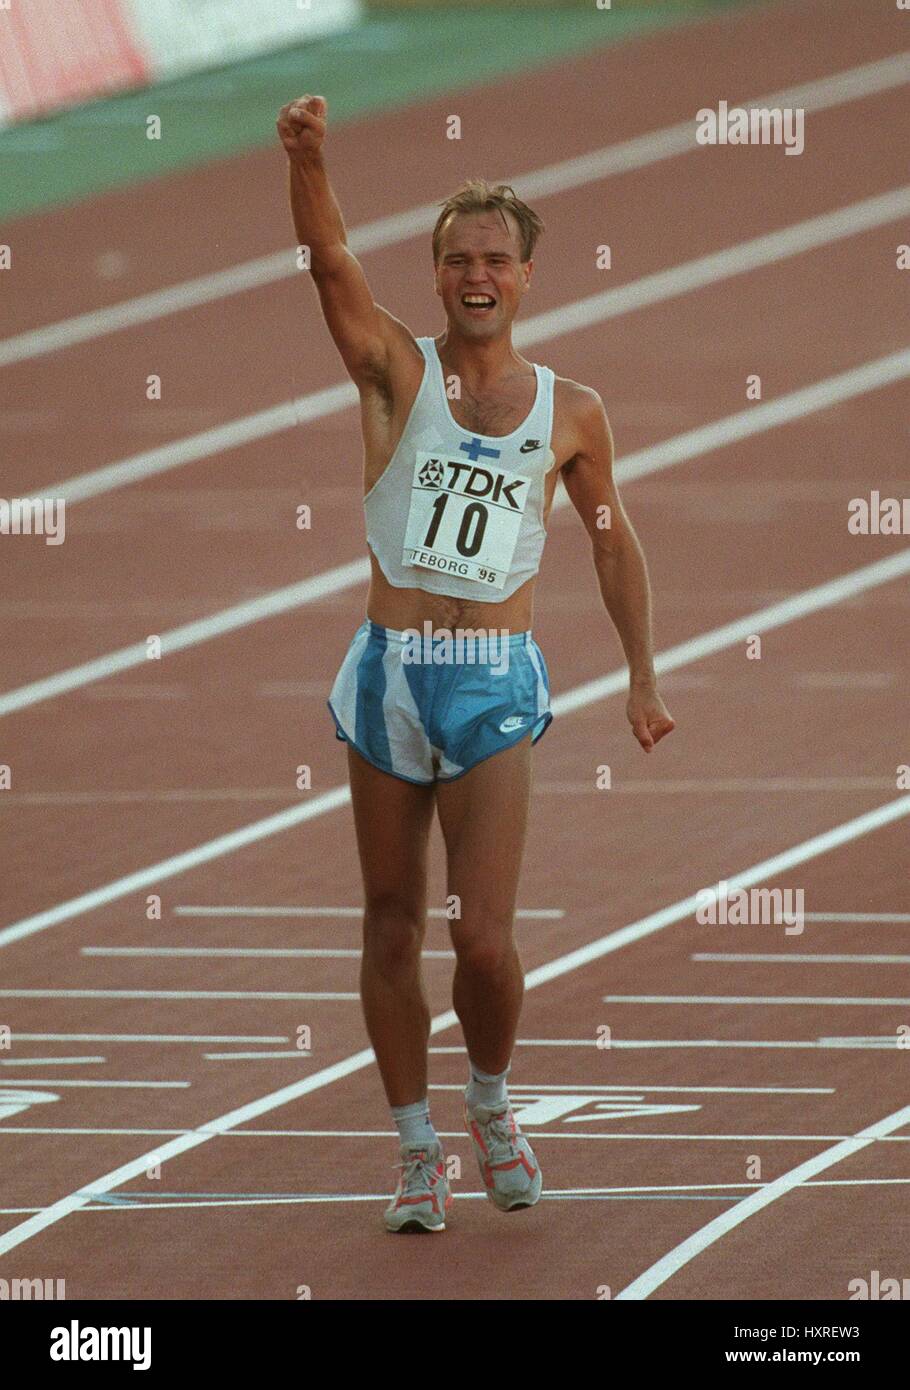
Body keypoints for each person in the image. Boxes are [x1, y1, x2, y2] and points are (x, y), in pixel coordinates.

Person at [277, 95, 675, 1233]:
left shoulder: (571, 411)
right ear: (438, 274)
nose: (476, 275)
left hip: (492, 674)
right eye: (457, 259)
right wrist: (307, 159)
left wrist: (642, 673)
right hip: (390, 674)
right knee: (390, 921)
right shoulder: (396, 375)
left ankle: (491, 1102)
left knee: (484, 938)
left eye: (496, 258)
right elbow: (328, 263)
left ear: (528, 274)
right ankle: (414, 1149)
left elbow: (612, 543)